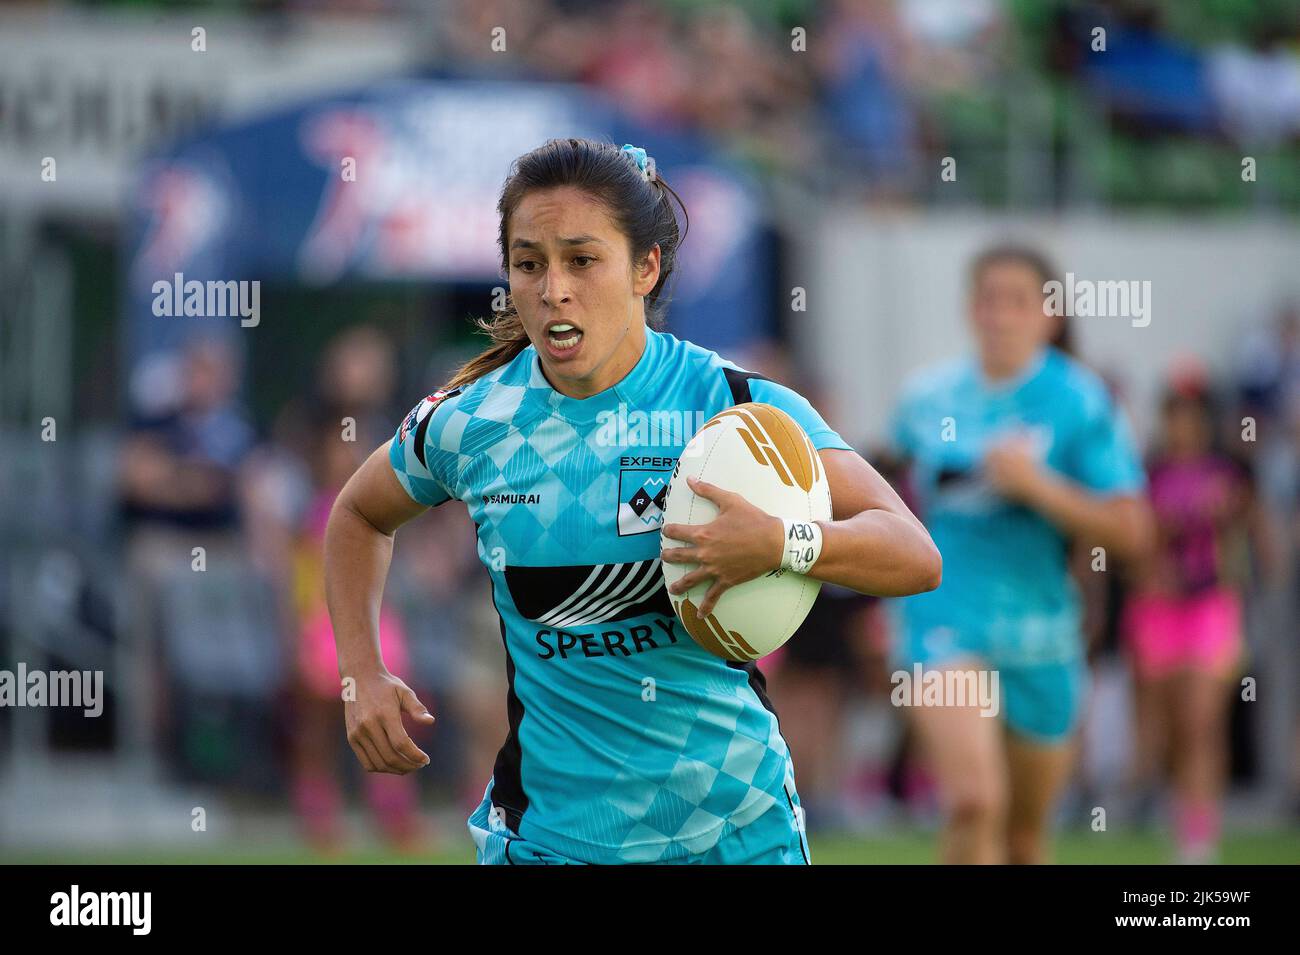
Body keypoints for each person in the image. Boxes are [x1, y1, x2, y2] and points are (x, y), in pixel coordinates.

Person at [323, 138, 940, 865]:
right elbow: (359, 514)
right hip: (554, 840)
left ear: (645, 267)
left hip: (736, 831)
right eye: (529, 264)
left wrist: (784, 542)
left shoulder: (733, 405)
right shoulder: (470, 422)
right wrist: (360, 668)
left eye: (582, 260)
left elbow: (913, 552)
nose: (553, 288)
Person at [887, 243, 1153, 863]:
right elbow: (877, 491)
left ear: (1050, 314)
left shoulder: (1081, 401)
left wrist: (1038, 486)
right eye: (987, 299)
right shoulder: (927, 398)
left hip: (1042, 635)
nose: (1000, 315)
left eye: (1018, 300)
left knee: (1025, 839)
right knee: (975, 801)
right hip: (943, 619)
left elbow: (1134, 531)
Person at [1123, 370, 1253, 863]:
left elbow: (1246, 543)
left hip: (1209, 606)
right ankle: (1174, 810)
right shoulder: (1148, 473)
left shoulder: (1228, 472)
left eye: (1191, 415)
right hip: (1158, 610)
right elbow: (1134, 541)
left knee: (1202, 720)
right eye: (1175, 414)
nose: (1183, 425)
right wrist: (1150, 567)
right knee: (1169, 729)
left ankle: (1199, 836)